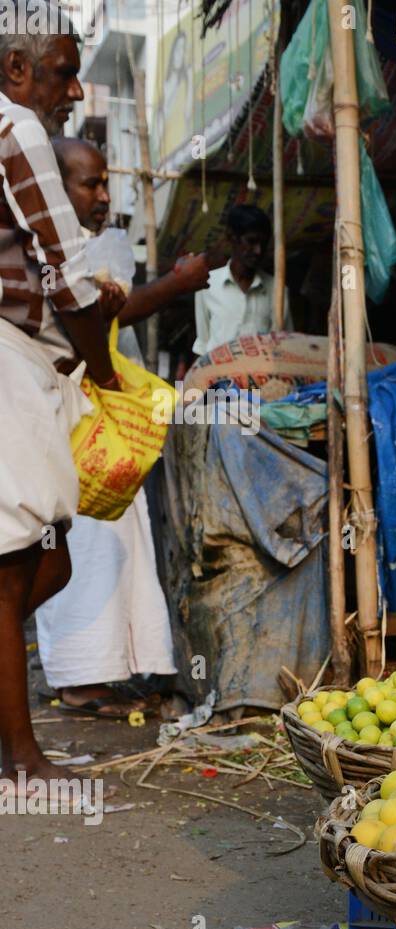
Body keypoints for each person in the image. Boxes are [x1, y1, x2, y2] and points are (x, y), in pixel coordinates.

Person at [34, 137, 209, 716]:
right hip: (70, 419)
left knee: (116, 542)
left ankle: (109, 669)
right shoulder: (50, 251)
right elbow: (83, 322)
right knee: (81, 546)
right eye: (91, 184)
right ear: (57, 189)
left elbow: (105, 312)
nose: (105, 195)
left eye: (106, 182)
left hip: (100, 422)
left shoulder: (89, 247)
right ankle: (79, 677)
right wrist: (175, 286)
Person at [0, 6, 116, 785]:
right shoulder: (17, 130)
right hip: (9, 357)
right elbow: (63, 263)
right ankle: (23, 759)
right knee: (14, 569)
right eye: (62, 71)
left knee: (48, 562)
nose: (74, 89)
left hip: (21, 357)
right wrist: (104, 363)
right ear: (16, 70)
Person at [193, 204, 288, 356]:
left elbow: (286, 345)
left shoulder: (277, 290)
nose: (258, 251)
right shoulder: (208, 285)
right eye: (251, 241)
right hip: (217, 377)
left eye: (263, 244)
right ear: (231, 238)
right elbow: (203, 346)